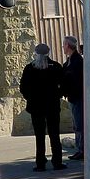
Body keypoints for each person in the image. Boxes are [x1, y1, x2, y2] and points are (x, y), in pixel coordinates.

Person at [19, 43, 67, 171]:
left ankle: (40, 163)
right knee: (54, 134)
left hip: (36, 106)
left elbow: (23, 87)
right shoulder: (56, 67)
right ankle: (57, 161)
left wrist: (30, 98)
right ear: (48, 53)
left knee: (39, 135)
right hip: (52, 105)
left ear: (35, 53)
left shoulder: (30, 68)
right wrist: (58, 95)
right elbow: (64, 84)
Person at [60, 35, 84, 160]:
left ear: (68, 46)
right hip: (72, 97)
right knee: (76, 124)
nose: (63, 47)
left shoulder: (77, 62)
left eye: (64, 45)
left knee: (79, 124)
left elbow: (76, 81)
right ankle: (80, 149)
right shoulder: (69, 62)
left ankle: (82, 149)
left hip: (78, 97)